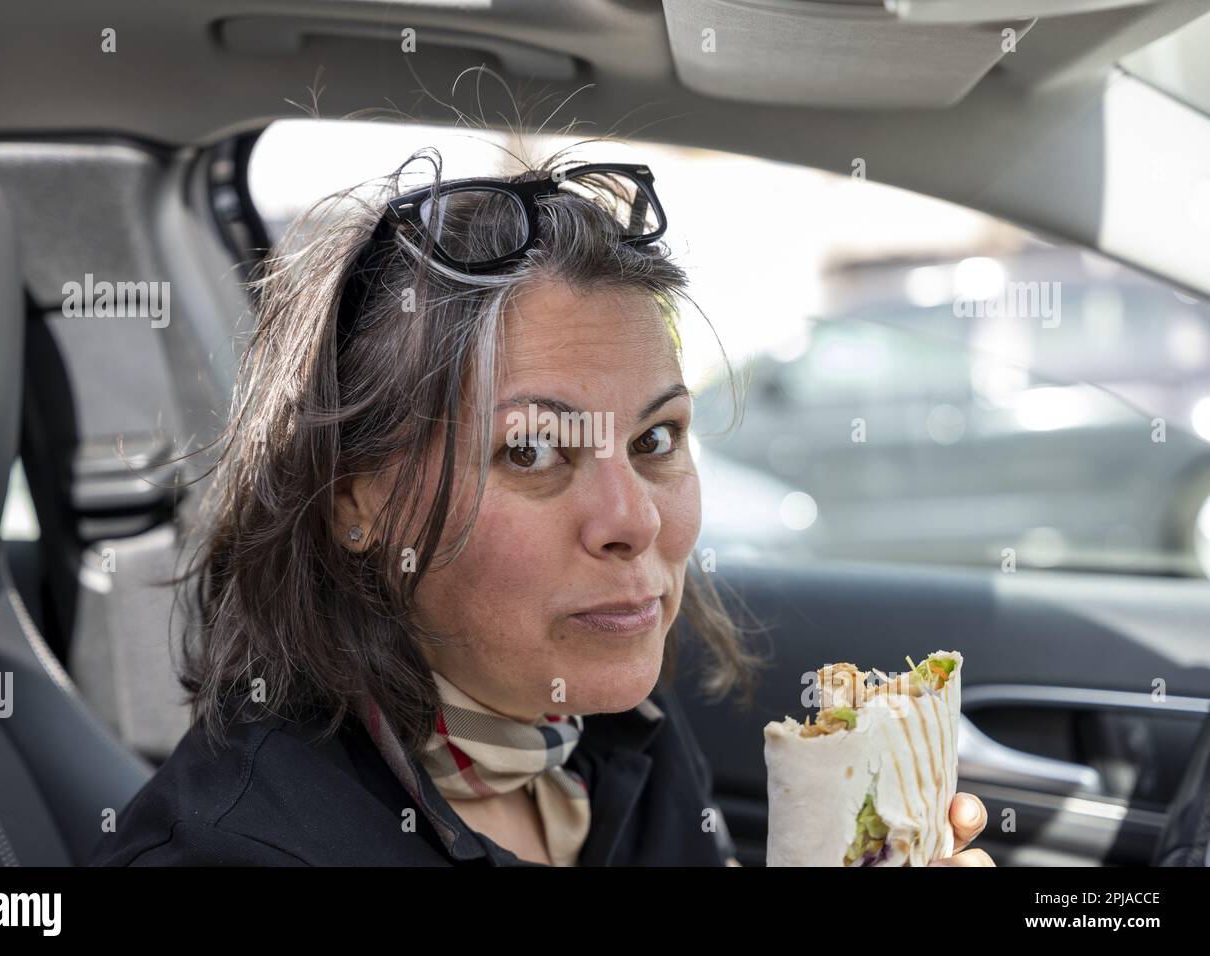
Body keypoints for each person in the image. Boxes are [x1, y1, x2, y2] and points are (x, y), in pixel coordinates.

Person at [90, 147, 991, 866]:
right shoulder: (233, 851)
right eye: (531, 451)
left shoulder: (614, 729)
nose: (633, 520)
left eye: (656, 439)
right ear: (355, 503)